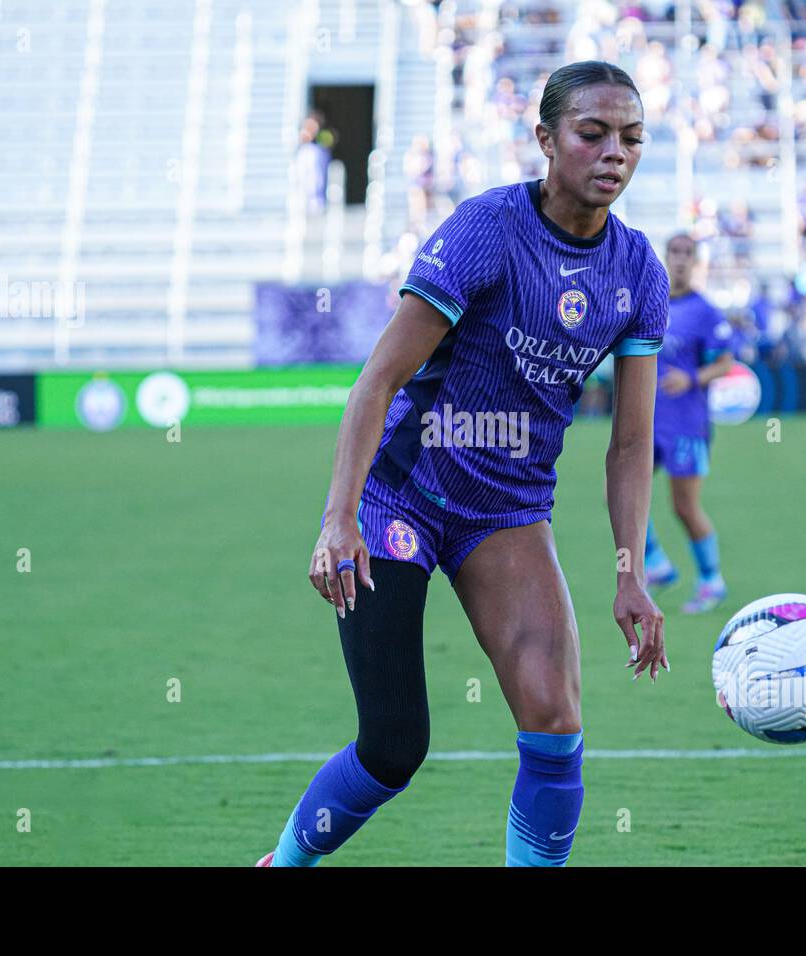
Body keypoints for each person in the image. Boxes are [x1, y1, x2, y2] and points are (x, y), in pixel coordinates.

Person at [257, 61, 669, 868]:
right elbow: (379, 380)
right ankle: (285, 863)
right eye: (592, 133)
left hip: (508, 515)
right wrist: (339, 518)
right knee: (394, 746)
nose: (614, 152)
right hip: (401, 502)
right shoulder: (486, 229)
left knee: (555, 718)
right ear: (546, 140)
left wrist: (630, 572)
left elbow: (629, 443)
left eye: (631, 138)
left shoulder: (638, 272)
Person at [643, 233, 735, 614]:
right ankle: (657, 564)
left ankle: (712, 580)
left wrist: (692, 378)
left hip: (687, 425)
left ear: (695, 261)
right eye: (674, 252)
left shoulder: (706, 312)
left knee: (684, 507)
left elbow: (726, 363)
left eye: (687, 254)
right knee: (616, 492)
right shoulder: (651, 302)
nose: (679, 259)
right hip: (648, 423)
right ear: (666, 255)